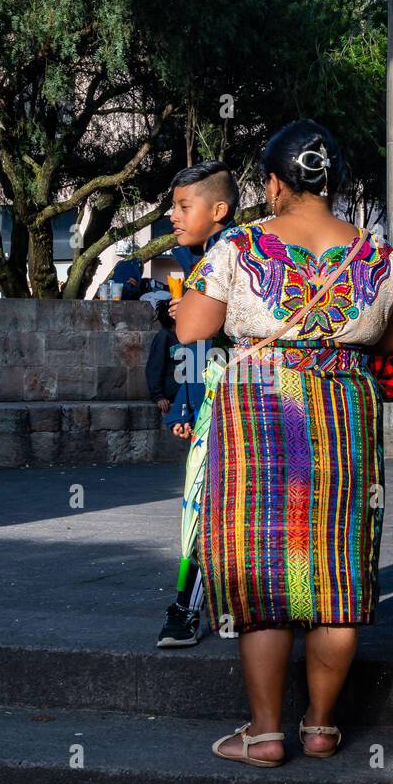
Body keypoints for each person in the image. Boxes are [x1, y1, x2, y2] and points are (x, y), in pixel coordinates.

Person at [175, 120, 393, 766]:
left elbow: (194, 326)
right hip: (344, 413)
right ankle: (323, 725)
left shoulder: (240, 247)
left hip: (259, 406)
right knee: (337, 571)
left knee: (262, 575)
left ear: (274, 184)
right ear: (332, 185)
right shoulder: (381, 258)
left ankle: (265, 731)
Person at [156, 160, 240, 648]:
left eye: (185, 206)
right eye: (174, 206)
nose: (174, 216)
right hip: (219, 392)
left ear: (219, 209)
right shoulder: (205, 256)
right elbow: (193, 347)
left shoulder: (229, 254)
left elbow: (210, 342)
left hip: (235, 393)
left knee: (200, 499)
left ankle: (189, 608)